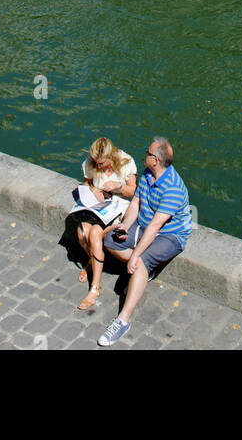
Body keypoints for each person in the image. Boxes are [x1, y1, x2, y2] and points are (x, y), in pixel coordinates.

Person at [98, 136, 192, 347]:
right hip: (144, 225)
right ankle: (142, 273)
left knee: (140, 262)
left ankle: (123, 321)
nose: (145, 155)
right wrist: (125, 225)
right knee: (111, 241)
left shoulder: (173, 188)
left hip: (169, 235)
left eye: (148, 153)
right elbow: (137, 202)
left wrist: (137, 255)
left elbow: (155, 228)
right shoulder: (149, 174)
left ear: (156, 160)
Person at [74, 137, 137, 311]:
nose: (99, 167)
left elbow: (134, 191)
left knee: (94, 234)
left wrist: (117, 188)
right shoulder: (90, 163)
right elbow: (85, 183)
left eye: (102, 163)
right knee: (82, 233)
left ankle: (95, 287)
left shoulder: (126, 162)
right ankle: (93, 260)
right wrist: (93, 190)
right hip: (99, 207)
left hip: (118, 208)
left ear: (112, 157)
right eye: (97, 163)